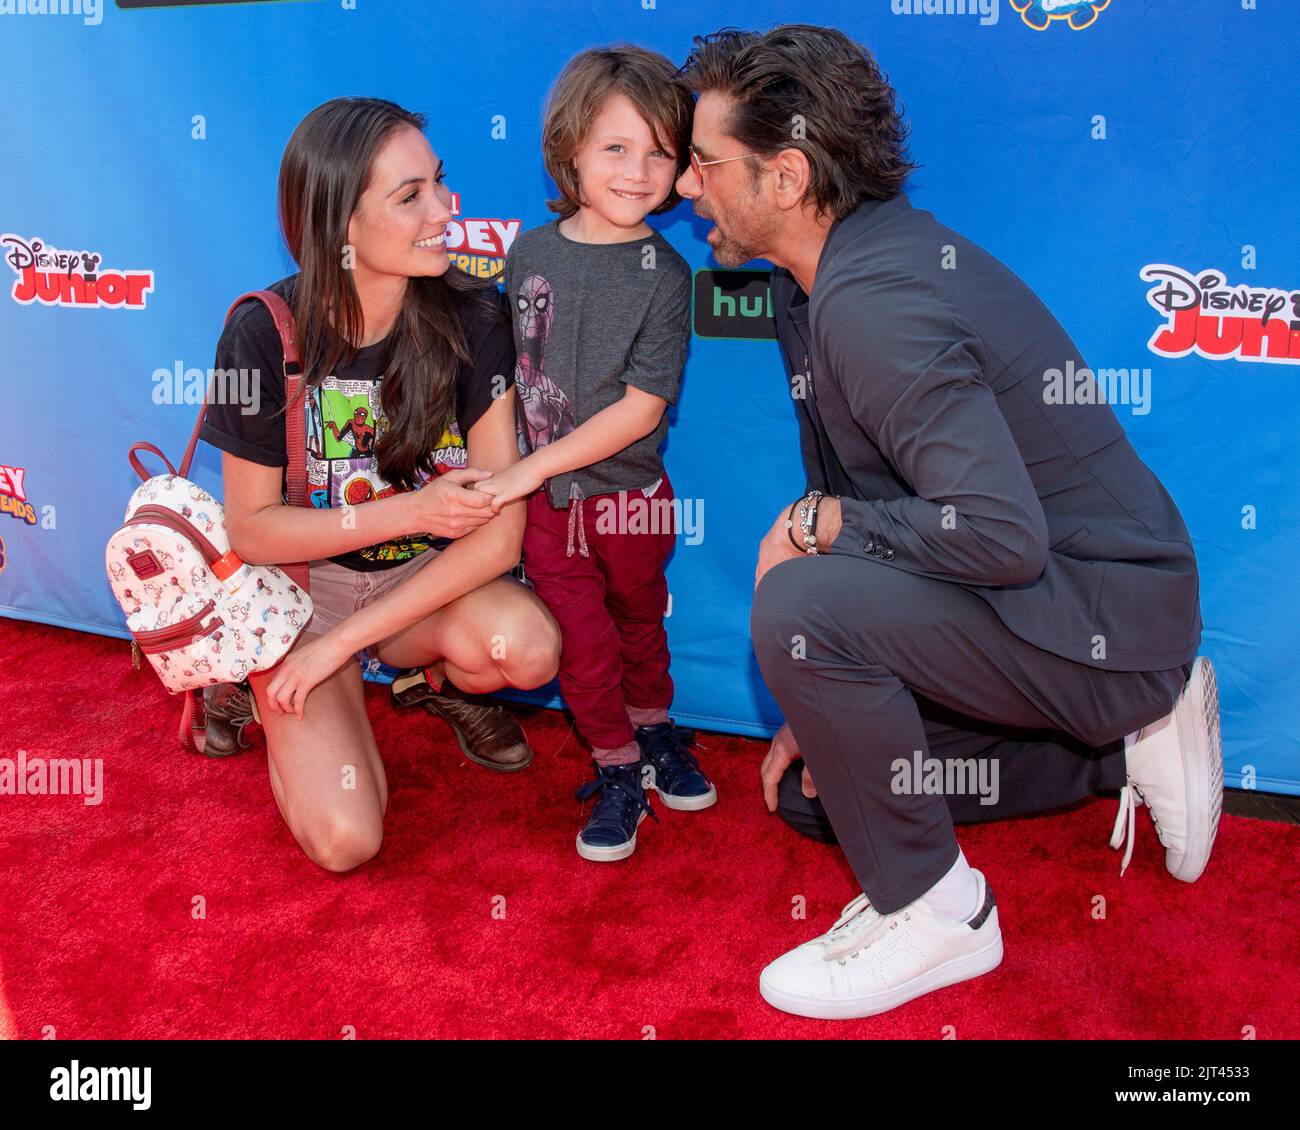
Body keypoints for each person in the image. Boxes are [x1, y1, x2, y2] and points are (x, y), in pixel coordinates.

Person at [676, 25, 1222, 1018]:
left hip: (1097, 609)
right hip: (1048, 598)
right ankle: (1126, 745)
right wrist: (819, 685)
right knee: (818, 792)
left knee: (801, 602)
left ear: (787, 176)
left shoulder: (872, 301)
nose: (683, 186)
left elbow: (996, 534)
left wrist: (820, 530)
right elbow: (870, 488)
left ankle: (940, 912)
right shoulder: (823, 280)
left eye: (705, 163)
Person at [198, 97, 561, 872]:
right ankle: (250, 679)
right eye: (409, 197)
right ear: (339, 226)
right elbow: (255, 529)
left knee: (526, 649)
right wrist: (412, 511)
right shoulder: (263, 331)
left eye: (439, 184)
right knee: (345, 843)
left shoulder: (474, 314)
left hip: (418, 585)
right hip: (299, 593)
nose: (444, 212)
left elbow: (499, 534)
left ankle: (413, 677)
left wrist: (348, 646)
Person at [475, 46, 715, 862]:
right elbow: (512, 372)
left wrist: (531, 469)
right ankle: (615, 768)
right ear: (569, 148)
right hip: (550, 509)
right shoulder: (530, 254)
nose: (638, 170)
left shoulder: (667, 274)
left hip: (631, 499)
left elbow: (642, 408)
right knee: (582, 640)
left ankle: (655, 736)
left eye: (659, 151)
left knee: (640, 624)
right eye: (616, 148)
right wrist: (512, 474)